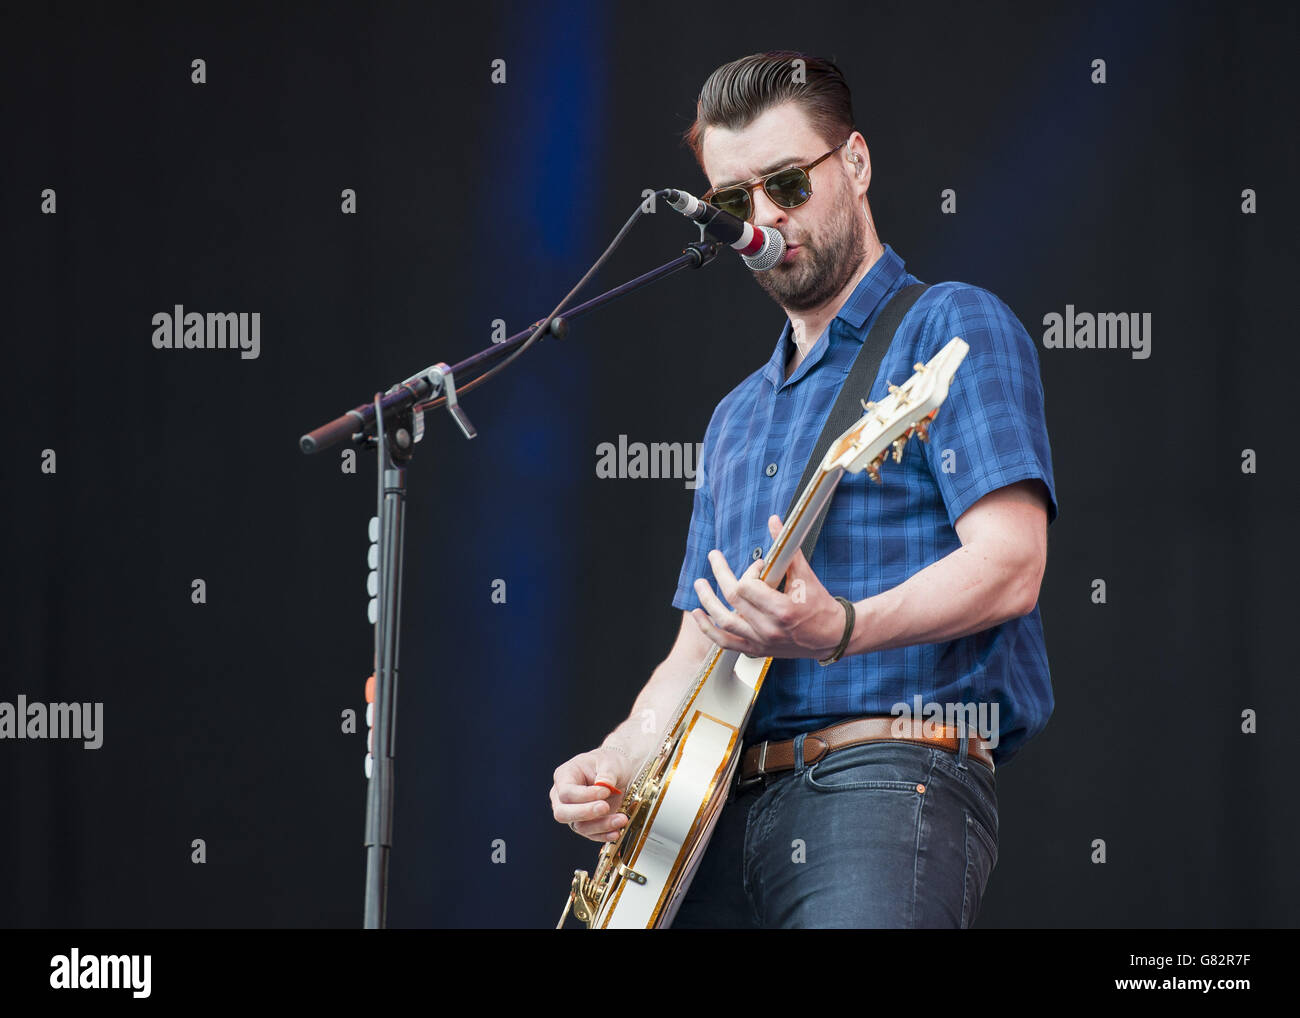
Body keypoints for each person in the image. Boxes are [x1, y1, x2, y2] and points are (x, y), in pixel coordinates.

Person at [549, 51, 1057, 928]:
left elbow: (1012, 564)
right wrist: (619, 756)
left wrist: (841, 628)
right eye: (732, 202)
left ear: (855, 164)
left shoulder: (951, 326)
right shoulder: (735, 416)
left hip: (884, 777)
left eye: (787, 182)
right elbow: (698, 644)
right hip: (708, 815)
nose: (764, 220)